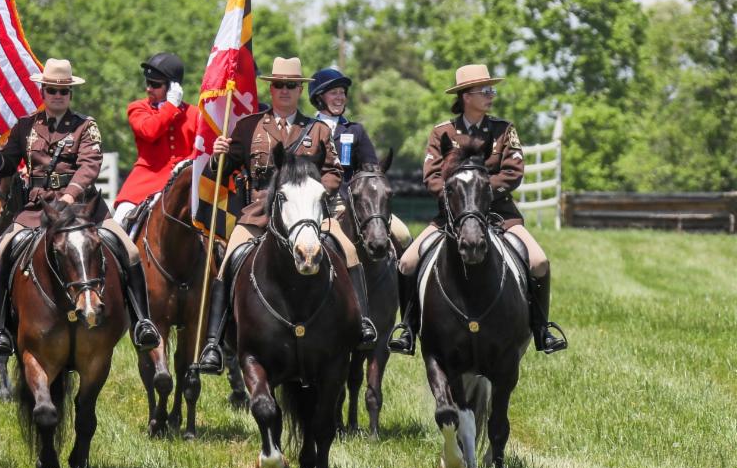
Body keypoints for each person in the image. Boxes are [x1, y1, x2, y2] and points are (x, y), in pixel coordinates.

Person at [194, 57, 377, 375]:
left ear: (300, 90)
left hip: (308, 212)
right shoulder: (249, 126)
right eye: (279, 84)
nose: (284, 90)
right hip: (259, 214)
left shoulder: (317, 129)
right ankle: (213, 343)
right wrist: (218, 155)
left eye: (291, 85)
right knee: (228, 262)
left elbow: (333, 171)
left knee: (347, 250)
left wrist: (317, 195)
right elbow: (224, 170)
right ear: (271, 87)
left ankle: (362, 322)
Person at [0, 58, 162, 356]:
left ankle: (142, 322)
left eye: (63, 91)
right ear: (42, 92)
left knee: (129, 250)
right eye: (52, 90)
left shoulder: (85, 127)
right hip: (37, 209)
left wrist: (68, 197)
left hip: (83, 208)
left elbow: (90, 166)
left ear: (70, 95)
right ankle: (2, 330)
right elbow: (6, 166)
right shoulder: (26, 127)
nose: (57, 96)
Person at [388, 64, 568, 356]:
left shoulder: (503, 130)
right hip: (453, 214)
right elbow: (431, 177)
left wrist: (481, 193)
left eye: (491, 89)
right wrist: (458, 197)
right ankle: (408, 328)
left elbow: (513, 173)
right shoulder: (442, 133)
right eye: (484, 91)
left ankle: (541, 328)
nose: (490, 95)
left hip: (499, 213)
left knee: (539, 262)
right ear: (465, 97)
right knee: (407, 263)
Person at [308, 67, 412, 254]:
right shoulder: (305, 130)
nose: (340, 97)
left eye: (342, 93)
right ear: (319, 98)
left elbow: (371, 170)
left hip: (354, 203)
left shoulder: (355, 131)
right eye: (334, 93)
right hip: (315, 203)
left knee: (403, 235)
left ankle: (405, 282)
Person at [112, 52, 198, 231]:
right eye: (148, 83)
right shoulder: (138, 108)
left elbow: (199, 150)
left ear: (173, 87)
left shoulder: (195, 114)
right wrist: (171, 107)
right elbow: (149, 131)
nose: (149, 89)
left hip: (185, 185)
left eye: (155, 84)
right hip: (146, 180)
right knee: (118, 222)